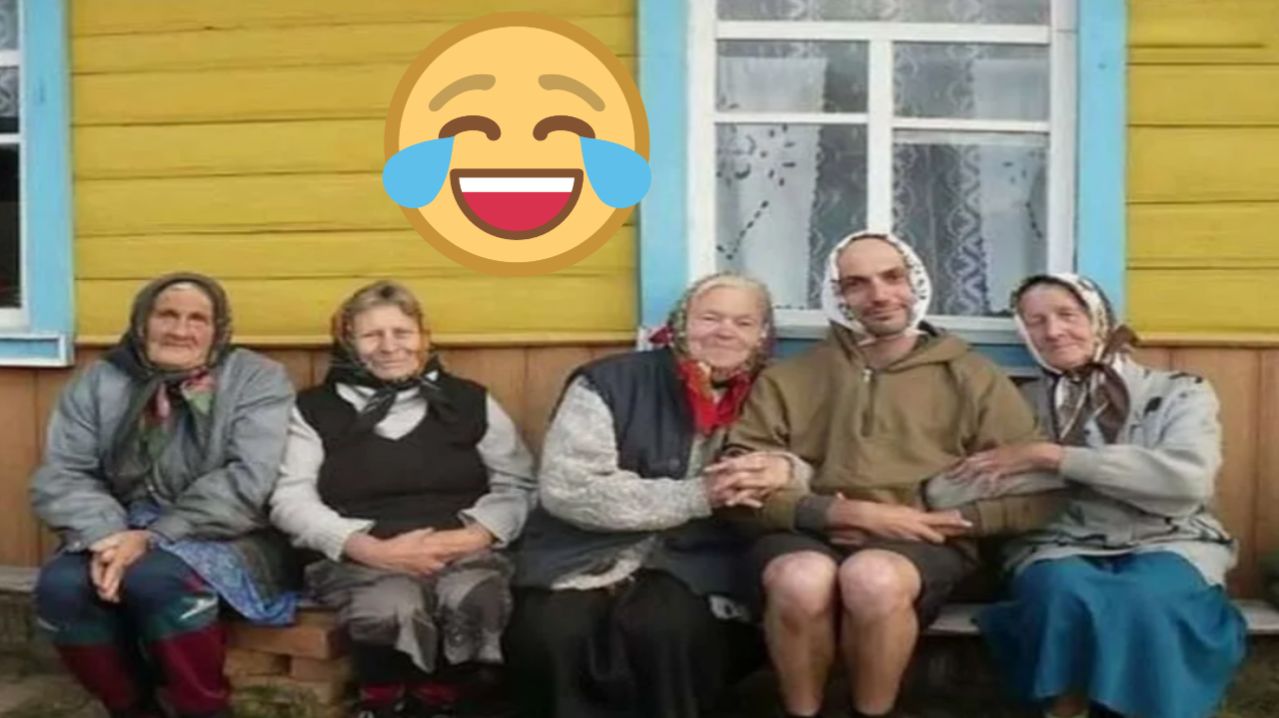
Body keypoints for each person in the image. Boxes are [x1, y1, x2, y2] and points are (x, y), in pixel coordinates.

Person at [726, 231, 1059, 718]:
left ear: (916, 281)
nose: (880, 295)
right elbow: (738, 487)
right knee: (800, 579)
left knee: (873, 578)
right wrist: (834, 512)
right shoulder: (789, 378)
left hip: (925, 540)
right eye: (856, 284)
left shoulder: (972, 377)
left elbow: (1040, 490)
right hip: (805, 532)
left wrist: (946, 521)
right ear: (836, 295)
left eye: (892, 277)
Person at [933, 273, 1246, 718]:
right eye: (1035, 321)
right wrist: (1129, 472)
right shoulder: (1015, 403)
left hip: (1169, 538)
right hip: (1055, 541)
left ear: (1099, 318)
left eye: (1067, 314)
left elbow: (1187, 482)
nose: (1053, 331)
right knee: (1062, 593)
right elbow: (950, 488)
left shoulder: (1178, 391)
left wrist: (1049, 457)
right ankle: (1067, 709)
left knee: (1148, 597)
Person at [504, 273, 797, 718]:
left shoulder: (777, 391)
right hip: (580, 552)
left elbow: (811, 463)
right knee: (553, 632)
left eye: (743, 322)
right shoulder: (609, 382)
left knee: (668, 631)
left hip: (700, 560)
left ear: (762, 335)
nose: (725, 331)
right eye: (710, 318)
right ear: (680, 323)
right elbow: (569, 487)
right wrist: (697, 495)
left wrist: (787, 469)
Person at [31, 272, 296, 718]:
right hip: (114, 529)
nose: (180, 330)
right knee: (61, 588)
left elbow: (248, 478)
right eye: (167, 315)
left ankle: (203, 710)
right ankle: (130, 706)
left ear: (218, 329)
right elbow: (65, 471)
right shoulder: (100, 380)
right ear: (142, 322)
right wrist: (105, 537)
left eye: (197, 319)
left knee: (158, 579)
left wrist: (154, 535)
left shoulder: (256, 379)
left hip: (225, 531)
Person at [270, 280, 536, 718]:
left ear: (423, 338)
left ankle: (447, 699)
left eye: (402, 333)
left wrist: (475, 536)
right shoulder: (315, 409)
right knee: (391, 606)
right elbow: (290, 498)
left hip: (462, 548)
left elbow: (518, 483)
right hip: (361, 556)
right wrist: (364, 547)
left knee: (473, 595)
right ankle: (384, 701)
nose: (390, 346)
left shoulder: (469, 401)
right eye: (371, 335)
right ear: (348, 342)